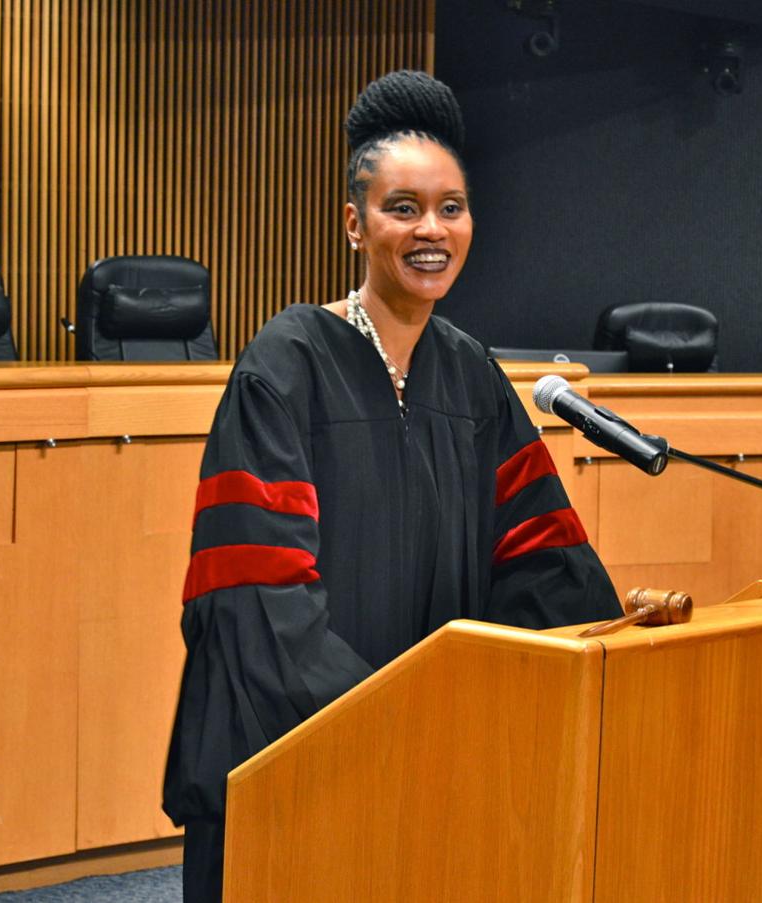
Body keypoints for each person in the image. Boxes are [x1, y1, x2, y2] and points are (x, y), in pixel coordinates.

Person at [162, 69, 619, 903]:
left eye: (451, 207)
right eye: (401, 207)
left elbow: (541, 567)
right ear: (354, 222)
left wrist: (609, 640)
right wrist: (398, 722)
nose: (430, 230)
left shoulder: (471, 375)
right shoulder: (286, 363)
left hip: (435, 772)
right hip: (304, 767)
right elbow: (257, 602)